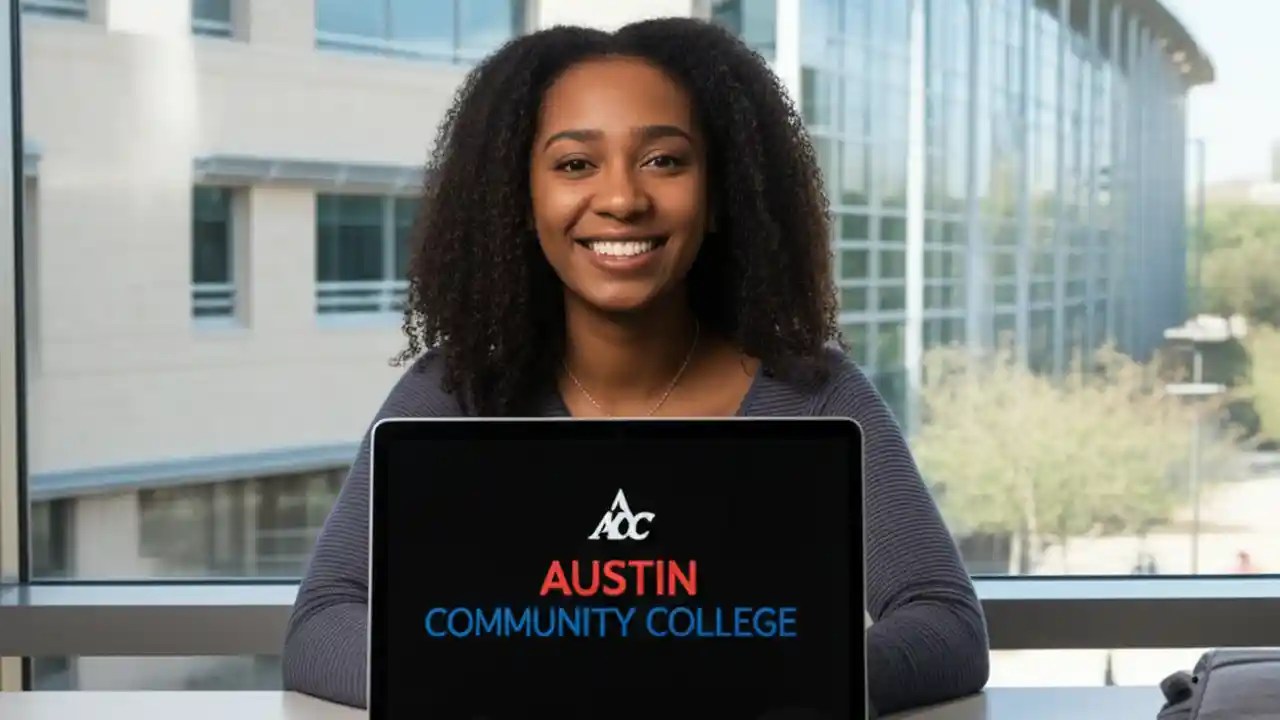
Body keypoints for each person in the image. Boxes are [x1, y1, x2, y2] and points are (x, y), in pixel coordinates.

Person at [282, 18, 989, 715]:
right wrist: (518, 681)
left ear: (718, 197)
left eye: (664, 161)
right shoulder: (456, 390)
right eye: (574, 164)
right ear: (520, 201)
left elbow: (945, 622)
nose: (622, 199)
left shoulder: (814, 395)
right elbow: (322, 624)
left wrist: (776, 678)